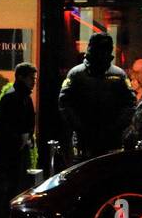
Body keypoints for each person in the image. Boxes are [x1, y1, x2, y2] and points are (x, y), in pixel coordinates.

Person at [58, 32, 135, 162]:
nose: (102, 52)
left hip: (112, 140)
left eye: (105, 48)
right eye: (99, 48)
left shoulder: (118, 75)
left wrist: (116, 127)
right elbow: (65, 104)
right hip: (85, 140)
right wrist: (80, 127)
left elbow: (130, 104)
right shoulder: (76, 74)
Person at [0, 62, 37, 208]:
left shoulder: (23, 97)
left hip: (16, 151)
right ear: (21, 77)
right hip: (11, 154)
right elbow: (6, 127)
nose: (34, 82)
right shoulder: (12, 98)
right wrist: (22, 139)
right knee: (11, 190)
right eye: (31, 78)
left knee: (14, 190)